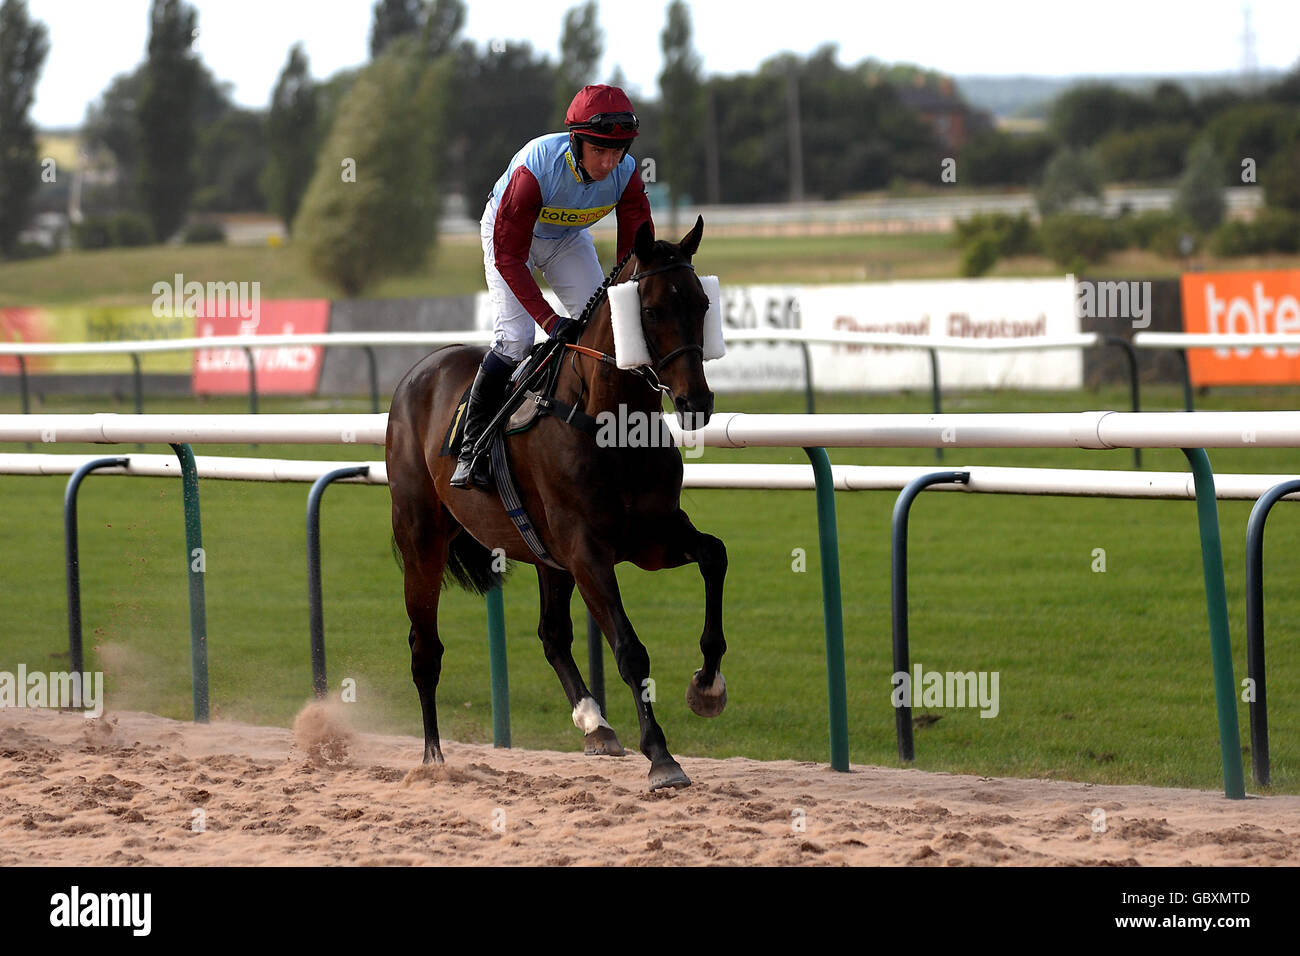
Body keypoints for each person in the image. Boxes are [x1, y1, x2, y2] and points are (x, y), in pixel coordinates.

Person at [451, 84, 654, 488]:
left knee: (609, 328)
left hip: (566, 239)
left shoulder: (627, 175)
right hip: (510, 237)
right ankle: (471, 446)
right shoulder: (534, 170)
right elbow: (509, 257)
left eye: (618, 152)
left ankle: (612, 433)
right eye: (599, 151)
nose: (609, 163)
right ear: (575, 141)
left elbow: (633, 256)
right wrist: (548, 319)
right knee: (515, 340)